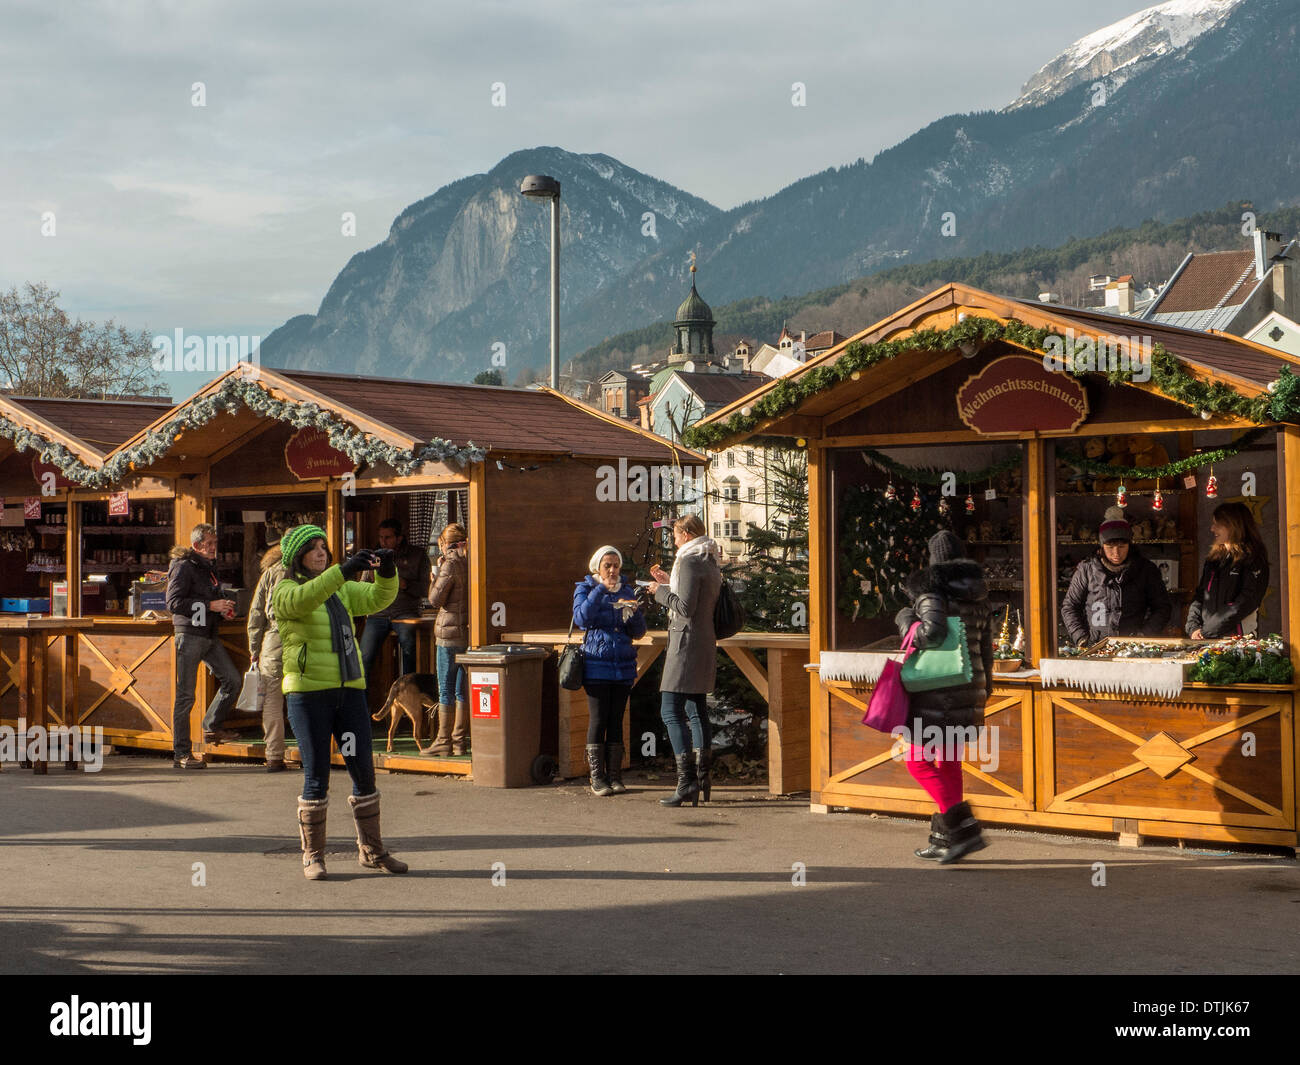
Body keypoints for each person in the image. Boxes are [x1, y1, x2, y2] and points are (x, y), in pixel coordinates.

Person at [273, 524, 407, 880]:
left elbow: (379, 599)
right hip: (307, 693)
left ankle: (372, 850)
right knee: (316, 775)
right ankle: (313, 856)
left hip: (348, 688)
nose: (321, 552)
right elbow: (306, 599)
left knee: (363, 770)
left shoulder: (340, 589)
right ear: (296, 556)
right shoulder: (285, 589)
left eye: (324, 547)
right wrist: (343, 570)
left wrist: (388, 572)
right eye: (313, 548)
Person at [895, 530, 994, 864]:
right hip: (969, 691)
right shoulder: (978, 596)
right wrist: (985, 690)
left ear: (934, 561)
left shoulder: (932, 594)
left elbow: (931, 634)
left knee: (917, 761)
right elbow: (986, 650)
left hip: (936, 693)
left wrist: (906, 618)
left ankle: (963, 829)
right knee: (949, 762)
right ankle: (943, 839)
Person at [646, 514, 721, 808]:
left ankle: (686, 782)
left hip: (686, 643)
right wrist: (669, 583)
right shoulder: (709, 559)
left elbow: (685, 607)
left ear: (687, 535)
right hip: (703, 640)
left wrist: (659, 592)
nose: (673, 540)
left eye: (676, 535)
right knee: (696, 708)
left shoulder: (689, 561)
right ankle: (702, 778)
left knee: (669, 709)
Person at [573, 545, 647, 796]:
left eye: (616, 565)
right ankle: (597, 778)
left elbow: (638, 632)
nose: (613, 570)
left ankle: (615, 777)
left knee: (616, 720)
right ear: (597, 567)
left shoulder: (626, 590)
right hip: (596, 663)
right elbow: (581, 619)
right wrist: (600, 590)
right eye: (608, 566)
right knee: (598, 719)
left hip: (623, 665)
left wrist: (634, 613)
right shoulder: (585, 588)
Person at [166, 523, 241, 770]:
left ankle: (211, 727)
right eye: (209, 544)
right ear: (196, 545)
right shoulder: (183, 566)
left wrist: (223, 610)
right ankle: (182, 754)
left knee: (233, 680)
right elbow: (174, 602)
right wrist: (211, 606)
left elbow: (205, 601)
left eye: (215, 543)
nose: (213, 548)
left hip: (209, 634)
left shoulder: (208, 568)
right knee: (186, 696)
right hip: (189, 635)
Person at [1061, 507, 1172, 647]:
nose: (1116, 553)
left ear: (1129, 545)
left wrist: (1144, 636)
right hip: (1095, 646)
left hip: (1133, 648)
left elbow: (1162, 607)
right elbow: (1070, 606)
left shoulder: (1146, 569)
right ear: (1101, 547)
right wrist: (1081, 638)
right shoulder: (1087, 569)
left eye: (1121, 546)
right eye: (1110, 547)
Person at [359, 518, 432, 686]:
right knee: (364, 657)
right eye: (381, 537)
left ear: (399, 538)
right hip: (378, 613)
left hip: (405, 611)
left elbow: (426, 590)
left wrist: (405, 585)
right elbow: (361, 589)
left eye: (388, 537)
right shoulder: (374, 556)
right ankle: (361, 706)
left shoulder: (417, 555)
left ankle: (409, 695)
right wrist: (370, 581)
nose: (383, 541)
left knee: (409, 649)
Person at [1186, 501, 1270, 639]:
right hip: (1206, 639)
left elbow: (1246, 601)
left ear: (1233, 526)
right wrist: (1193, 626)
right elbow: (1201, 595)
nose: (1212, 529)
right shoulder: (1213, 559)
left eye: (1217, 524)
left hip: (1238, 641)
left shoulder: (1253, 559)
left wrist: (1209, 630)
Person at [423, 524, 471, 756]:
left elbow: (434, 600)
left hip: (448, 635)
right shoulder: (470, 560)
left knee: (446, 689)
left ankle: (443, 741)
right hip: (467, 633)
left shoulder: (449, 564)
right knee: (463, 690)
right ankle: (459, 741)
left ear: (444, 543)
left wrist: (433, 578)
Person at [247, 535, 287, 772]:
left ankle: (274, 755)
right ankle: (311, 750)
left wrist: (254, 649)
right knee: (302, 696)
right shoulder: (309, 571)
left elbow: (255, 615)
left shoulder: (269, 573)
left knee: (272, 698)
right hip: (302, 638)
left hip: (273, 639)